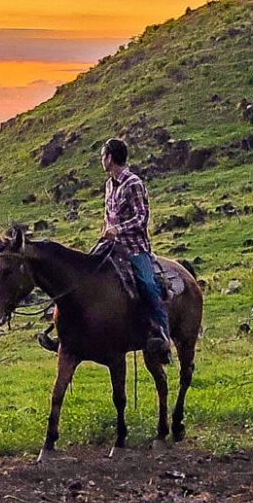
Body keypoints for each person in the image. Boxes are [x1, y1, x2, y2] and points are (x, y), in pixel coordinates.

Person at [95, 137, 171, 364]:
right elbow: (109, 216)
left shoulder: (134, 183)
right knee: (85, 273)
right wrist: (106, 232)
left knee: (147, 284)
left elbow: (141, 217)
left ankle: (163, 334)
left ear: (110, 157)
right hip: (110, 246)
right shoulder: (109, 184)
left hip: (134, 248)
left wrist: (118, 229)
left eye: (103, 156)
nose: (101, 160)